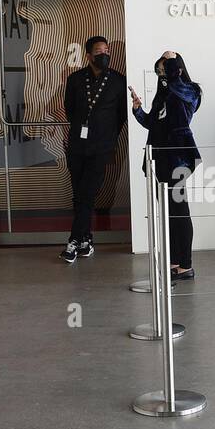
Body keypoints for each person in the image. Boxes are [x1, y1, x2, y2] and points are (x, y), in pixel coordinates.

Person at [131, 51, 203, 280]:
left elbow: (179, 90)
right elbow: (153, 123)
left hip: (178, 158)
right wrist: (138, 109)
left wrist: (171, 60)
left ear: (176, 69)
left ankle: (186, 265)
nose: (162, 73)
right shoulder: (164, 93)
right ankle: (174, 261)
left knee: (179, 211)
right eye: (159, 70)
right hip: (159, 157)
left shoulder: (189, 91)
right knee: (167, 212)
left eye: (166, 68)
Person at [61, 35, 127, 263]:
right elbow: (70, 110)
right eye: (99, 52)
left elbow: (121, 116)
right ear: (88, 56)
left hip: (102, 147)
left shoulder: (118, 81)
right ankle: (86, 240)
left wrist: (107, 137)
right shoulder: (75, 79)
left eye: (106, 51)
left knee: (88, 193)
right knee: (79, 194)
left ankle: (73, 241)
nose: (104, 55)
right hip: (78, 145)